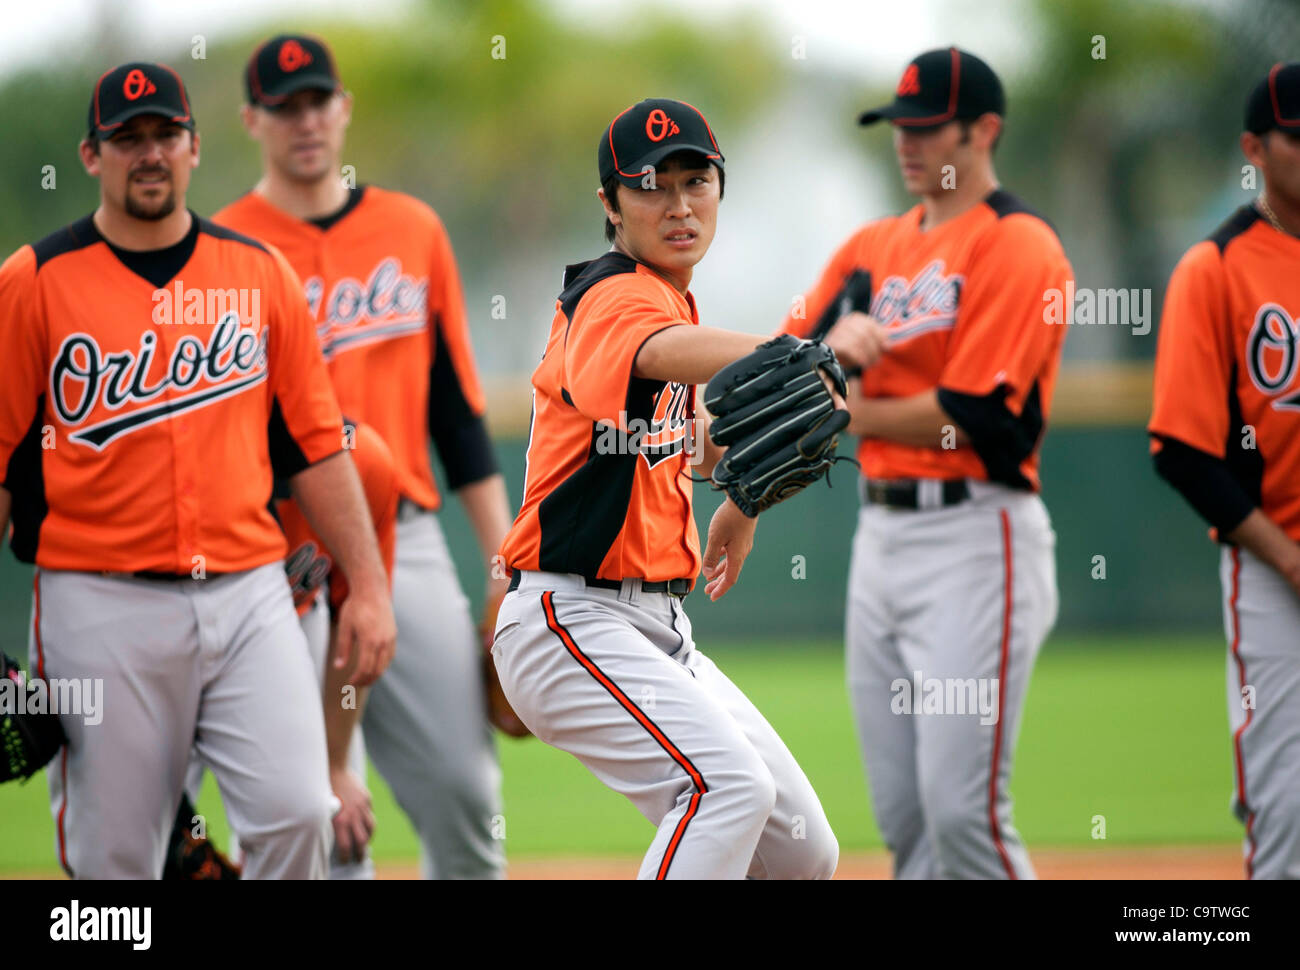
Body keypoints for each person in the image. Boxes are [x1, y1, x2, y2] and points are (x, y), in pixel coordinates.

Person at [0, 61, 395, 879]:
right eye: (127, 138)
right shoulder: (33, 281)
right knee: (115, 857)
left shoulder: (257, 274)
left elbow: (317, 448)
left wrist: (369, 585)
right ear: (90, 155)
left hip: (251, 594)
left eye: (165, 135)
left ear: (194, 146)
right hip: (98, 601)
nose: (149, 153)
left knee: (296, 813)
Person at [492, 98, 840, 880]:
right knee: (725, 789)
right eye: (650, 185)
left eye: (695, 179)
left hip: (654, 627)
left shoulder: (671, 298)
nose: (678, 203)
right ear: (611, 205)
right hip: (568, 618)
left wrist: (743, 504)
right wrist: (790, 351)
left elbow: (690, 446)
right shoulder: (612, 294)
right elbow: (650, 351)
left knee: (799, 851)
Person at [214, 34, 513, 878]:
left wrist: (501, 556)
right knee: (310, 808)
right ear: (252, 121)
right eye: (284, 107)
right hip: (277, 553)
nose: (304, 120)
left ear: (343, 109)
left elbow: (457, 412)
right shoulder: (225, 246)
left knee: (465, 790)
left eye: (318, 101)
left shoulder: (411, 229)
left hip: (407, 541)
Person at [783, 48, 1070, 879]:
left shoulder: (1018, 245)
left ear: (985, 130)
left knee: (962, 814)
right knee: (906, 819)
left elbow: (981, 418)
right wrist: (823, 359)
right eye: (897, 127)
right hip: (881, 537)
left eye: (926, 128)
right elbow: (784, 357)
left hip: (978, 537)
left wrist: (838, 410)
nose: (906, 143)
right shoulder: (873, 247)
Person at [1150, 62, 1300, 880]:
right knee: (1287, 813)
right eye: (1297, 139)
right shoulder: (1216, 266)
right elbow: (1182, 448)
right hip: (1274, 572)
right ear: (1255, 148)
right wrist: (1286, 557)